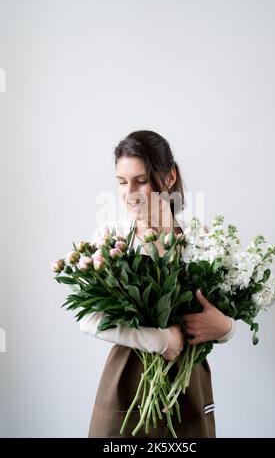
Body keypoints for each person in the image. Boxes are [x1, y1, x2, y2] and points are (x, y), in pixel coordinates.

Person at [80, 130, 236, 438]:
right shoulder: (112, 239)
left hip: (190, 385)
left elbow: (226, 305)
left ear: (169, 178)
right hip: (127, 382)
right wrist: (159, 340)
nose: (130, 193)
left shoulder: (202, 240)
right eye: (122, 182)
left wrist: (225, 328)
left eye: (141, 180)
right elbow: (89, 319)